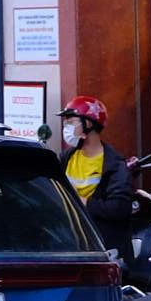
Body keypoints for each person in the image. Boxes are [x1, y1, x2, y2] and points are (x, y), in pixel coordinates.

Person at [61, 95, 143, 260]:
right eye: (66, 122)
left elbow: (118, 207)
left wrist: (84, 203)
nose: (66, 127)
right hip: (72, 246)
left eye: (71, 122)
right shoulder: (66, 157)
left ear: (88, 124)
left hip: (104, 251)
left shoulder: (114, 164)